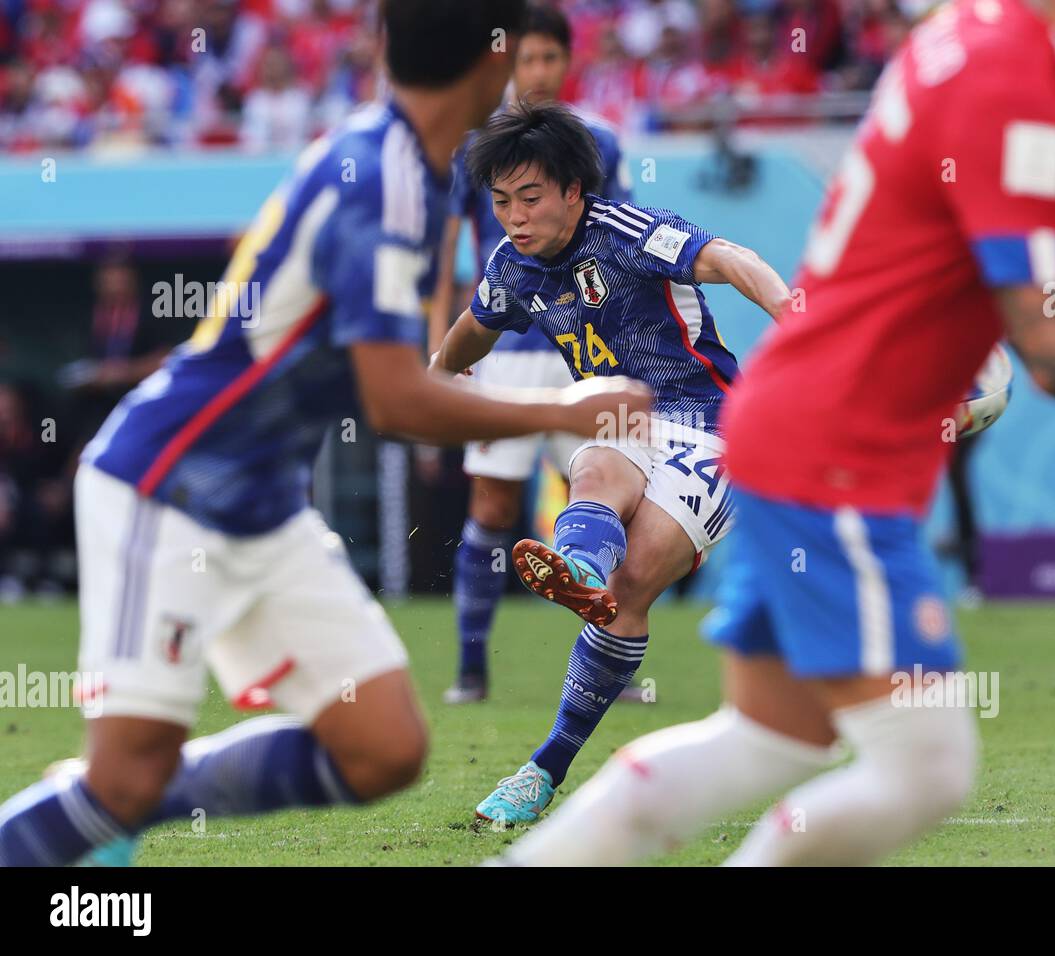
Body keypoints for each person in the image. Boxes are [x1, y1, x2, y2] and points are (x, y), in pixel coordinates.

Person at [500, 0, 1055, 867]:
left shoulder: (966, 38)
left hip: (790, 426)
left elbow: (987, 288)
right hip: (832, 457)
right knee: (929, 768)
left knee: (772, 737)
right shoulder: (1012, 71)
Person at [0, 0, 650, 868]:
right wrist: (560, 413)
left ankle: (117, 806)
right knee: (120, 777)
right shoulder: (377, 178)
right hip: (171, 485)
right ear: (494, 69)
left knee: (384, 748)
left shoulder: (407, 169)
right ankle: (103, 805)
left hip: (264, 507)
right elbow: (392, 400)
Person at [432, 101, 790, 825]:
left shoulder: (626, 231)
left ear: (574, 191)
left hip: (711, 427)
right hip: (617, 413)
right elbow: (474, 331)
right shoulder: (512, 268)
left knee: (635, 588)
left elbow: (730, 259)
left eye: (530, 198)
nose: (515, 217)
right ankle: (579, 568)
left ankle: (547, 764)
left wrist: (795, 312)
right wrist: (436, 375)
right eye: (501, 202)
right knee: (597, 434)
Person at [431, 3, 634, 706]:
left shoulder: (599, 142)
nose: (539, 71)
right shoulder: (475, 147)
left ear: (566, 62)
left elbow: (624, 248)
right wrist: (444, 349)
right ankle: (470, 668)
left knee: (620, 505)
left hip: (586, 356)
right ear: (506, 62)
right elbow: (452, 254)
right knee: (491, 505)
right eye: (527, 59)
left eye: (551, 58)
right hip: (509, 353)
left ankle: (615, 665)